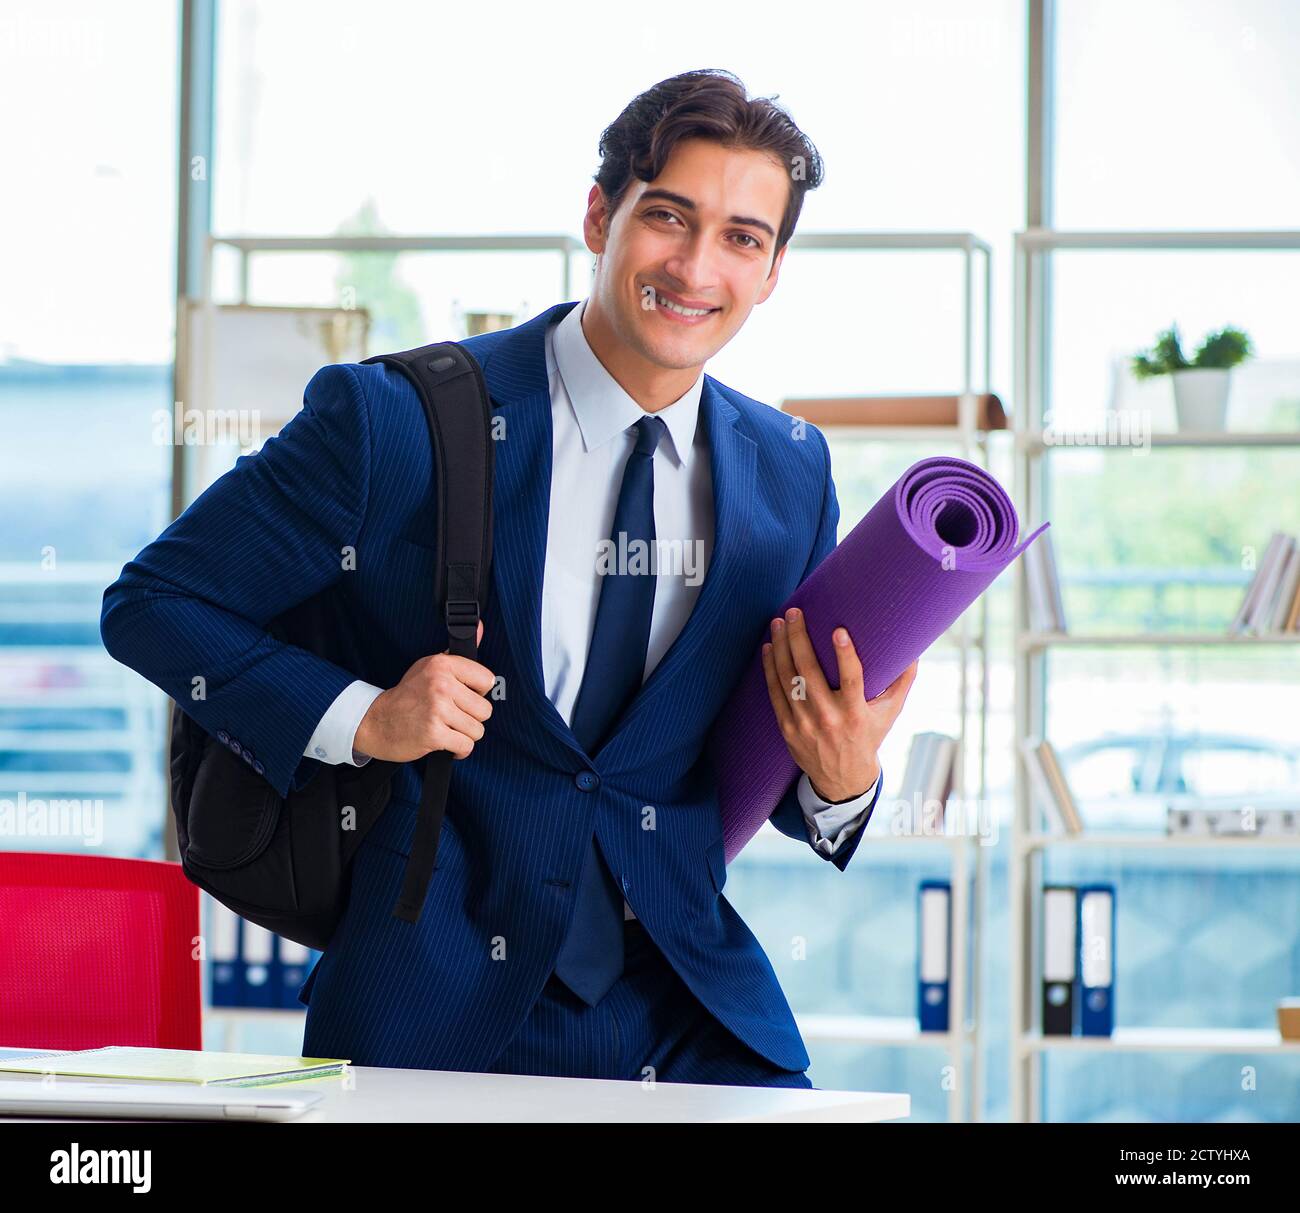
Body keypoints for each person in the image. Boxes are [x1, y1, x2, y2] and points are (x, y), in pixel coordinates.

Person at [100, 68, 916, 1089]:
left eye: (742, 238)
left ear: (773, 268)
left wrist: (842, 783)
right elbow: (151, 605)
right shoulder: (396, 421)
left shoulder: (789, 471)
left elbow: (759, 764)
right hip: (435, 1002)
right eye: (669, 218)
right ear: (597, 215)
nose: (697, 266)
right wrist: (364, 716)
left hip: (687, 1010)